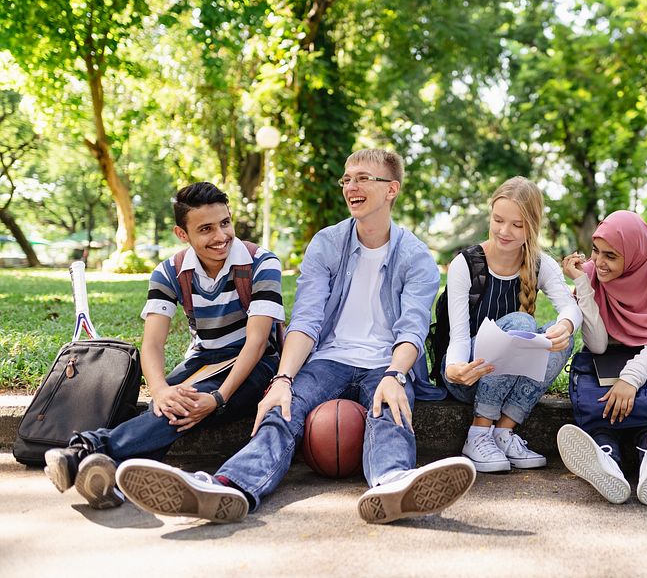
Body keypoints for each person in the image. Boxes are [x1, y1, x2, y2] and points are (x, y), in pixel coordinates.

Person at [114, 149, 476, 524]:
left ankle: (393, 485)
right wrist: (283, 379)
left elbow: (412, 328)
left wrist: (395, 375)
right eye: (347, 179)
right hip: (327, 359)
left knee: (391, 411)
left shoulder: (416, 257)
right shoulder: (327, 243)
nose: (351, 186)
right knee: (281, 410)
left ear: (391, 190)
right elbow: (306, 322)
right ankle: (228, 486)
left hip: (386, 364)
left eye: (363, 178)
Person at [44, 182, 285, 510]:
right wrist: (158, 389)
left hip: (256, 364)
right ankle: (107, 473)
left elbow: (257, 343)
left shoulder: (261, 262)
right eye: (206, 229)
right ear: (182, 234)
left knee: (184, 406)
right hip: (204, 359)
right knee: (168, 405)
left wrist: (217, 398)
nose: (221, 236)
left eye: (225, 223)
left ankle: (85, 452)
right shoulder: (169, 272)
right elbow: (153, 343)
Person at [442, 177, 581, 472]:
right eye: (498, 220)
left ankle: (504, 431)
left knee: (560, 339)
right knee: (522, 321)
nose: (504, 231)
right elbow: (459, 336)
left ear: (532, 226)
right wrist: (454, 368)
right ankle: (479, 433)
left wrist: (566, 325)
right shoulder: (466, 264)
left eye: (517, 225)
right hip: (467, 374)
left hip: (509, 378)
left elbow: (569, 307)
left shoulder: (541, 263)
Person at [557, 210, 647, 505]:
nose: (599, 262)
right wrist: (584, 286)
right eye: (595, 251)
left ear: (635, 255)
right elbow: (598, 344)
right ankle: (606, 462)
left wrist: (629, 380)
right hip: (602, 364)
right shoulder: (590, 275)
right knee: (600, 416)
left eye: (611, 256)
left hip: (644, 364)